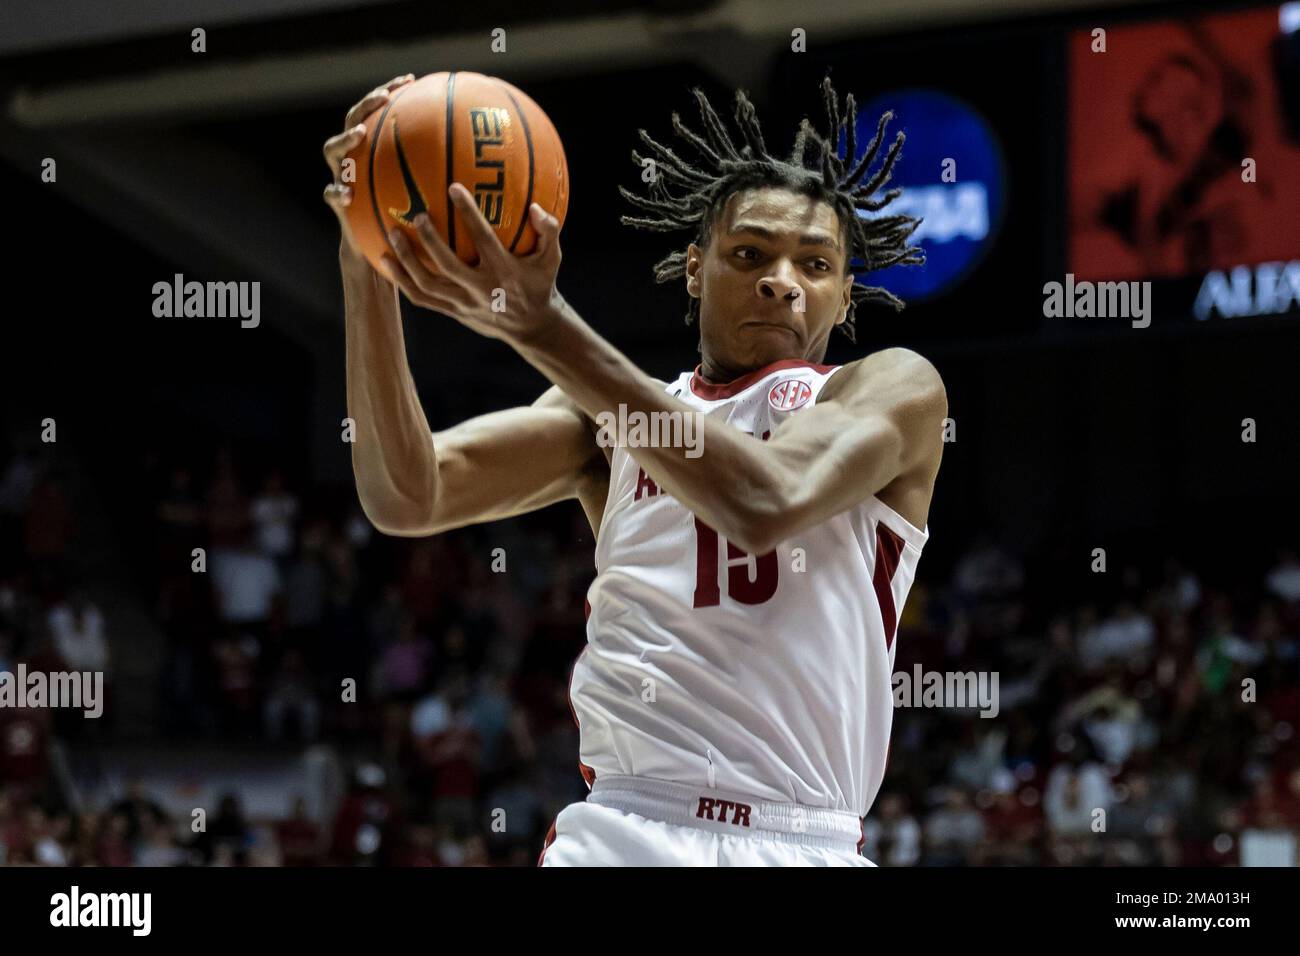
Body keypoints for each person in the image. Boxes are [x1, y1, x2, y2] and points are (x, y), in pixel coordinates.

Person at [323, 74, 946, 866]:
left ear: (846, 296)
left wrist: (543, 326)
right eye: (750, 252)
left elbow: (765, 498)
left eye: (815, 264)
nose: (782, 280)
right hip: (627, 830)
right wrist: (366, 267)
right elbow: (409, 494)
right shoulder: (604, 414)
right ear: (693, 270)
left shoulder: (894, 388)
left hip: (804, 838)